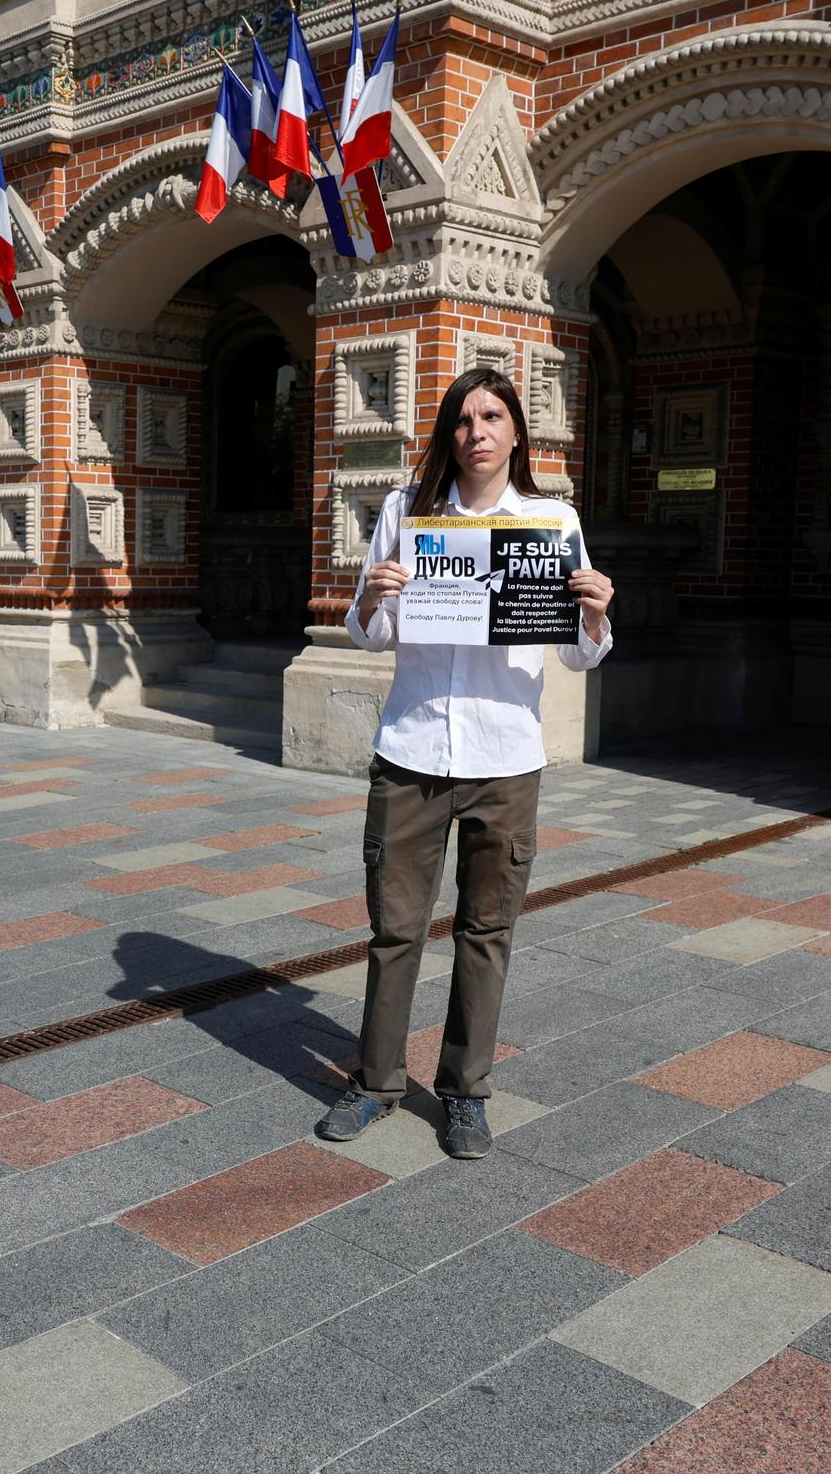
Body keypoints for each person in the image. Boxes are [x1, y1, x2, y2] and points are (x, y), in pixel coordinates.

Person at [316, 364, 615, 1160]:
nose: (475, 433)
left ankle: (463, 1092)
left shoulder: (551, 523)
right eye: (461, 420)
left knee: (487, 929)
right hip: (410, 750)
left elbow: (577, 657)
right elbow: (368, 635)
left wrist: (593, 614)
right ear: (449, 436)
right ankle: (375, 1082)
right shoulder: (406, 516)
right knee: (395, 929)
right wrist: (374, 597)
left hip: (504, 757)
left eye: (490, 418)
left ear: (516, 433)